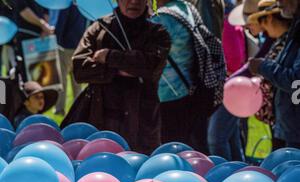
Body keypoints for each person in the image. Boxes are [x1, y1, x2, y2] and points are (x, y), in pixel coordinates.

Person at [63, 0, 171, 154]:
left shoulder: (158, 33)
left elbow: (150, 66)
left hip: (141, 123)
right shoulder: (100, 28)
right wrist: (122, 69)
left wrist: (109, 56)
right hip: (101, 117)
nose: (134, 2)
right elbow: (80, 69)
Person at [151, 0, 226, 153]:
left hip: (167, 98)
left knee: (170, 152)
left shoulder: (162, 18)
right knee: (192, 150)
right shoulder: (186, 8)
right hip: (192, 90)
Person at [249, 0, 300, 148]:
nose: (279, 3)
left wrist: (263, 66)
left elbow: (295, 80)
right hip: (289, 128)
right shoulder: (295, 28)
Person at [208, 0, 247, 161]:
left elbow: (235, 60)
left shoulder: (227, 25)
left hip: (229, 87)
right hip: (233, 86)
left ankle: (225, 174)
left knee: (216, 138)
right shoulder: (229, 23)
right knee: (231, 137)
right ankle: (240, 170)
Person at [54, 5, 87, 116]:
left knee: (62, 80)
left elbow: (61, 24)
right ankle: (78, 109)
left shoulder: (67, 5)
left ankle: (60, 109)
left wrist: (56, 41)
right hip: (81, 46)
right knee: (77, 81)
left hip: (65, 46)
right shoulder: (85, 6)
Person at [13, 0, 54, 80]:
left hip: (42, 37)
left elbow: (46, 9)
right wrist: (44, 26)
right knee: (29, 77)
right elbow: (23, 10)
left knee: (45, 77)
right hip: (26, 38)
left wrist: (44, 29)